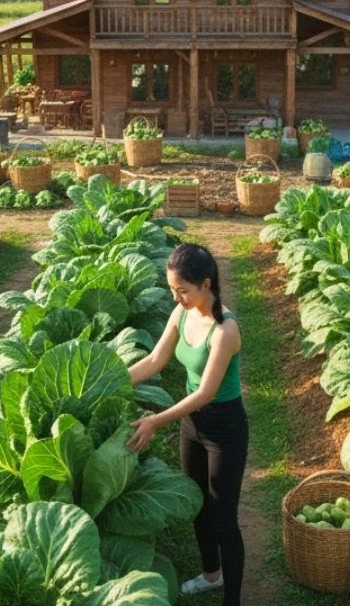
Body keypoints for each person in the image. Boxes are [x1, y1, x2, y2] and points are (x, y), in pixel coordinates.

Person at [126, 243, 248, 605]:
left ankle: (233, 600)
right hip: (192, 425)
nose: (176, 297)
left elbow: (206, 392)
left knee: (224, 517)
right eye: (172, 290)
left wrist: (156, 420)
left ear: (206, 284)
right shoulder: (180, 315)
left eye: (183, 290)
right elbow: (153, 360)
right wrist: (109, 380)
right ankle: (211, 574)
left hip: (224, 428)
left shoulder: (226, 330)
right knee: (198, 504)